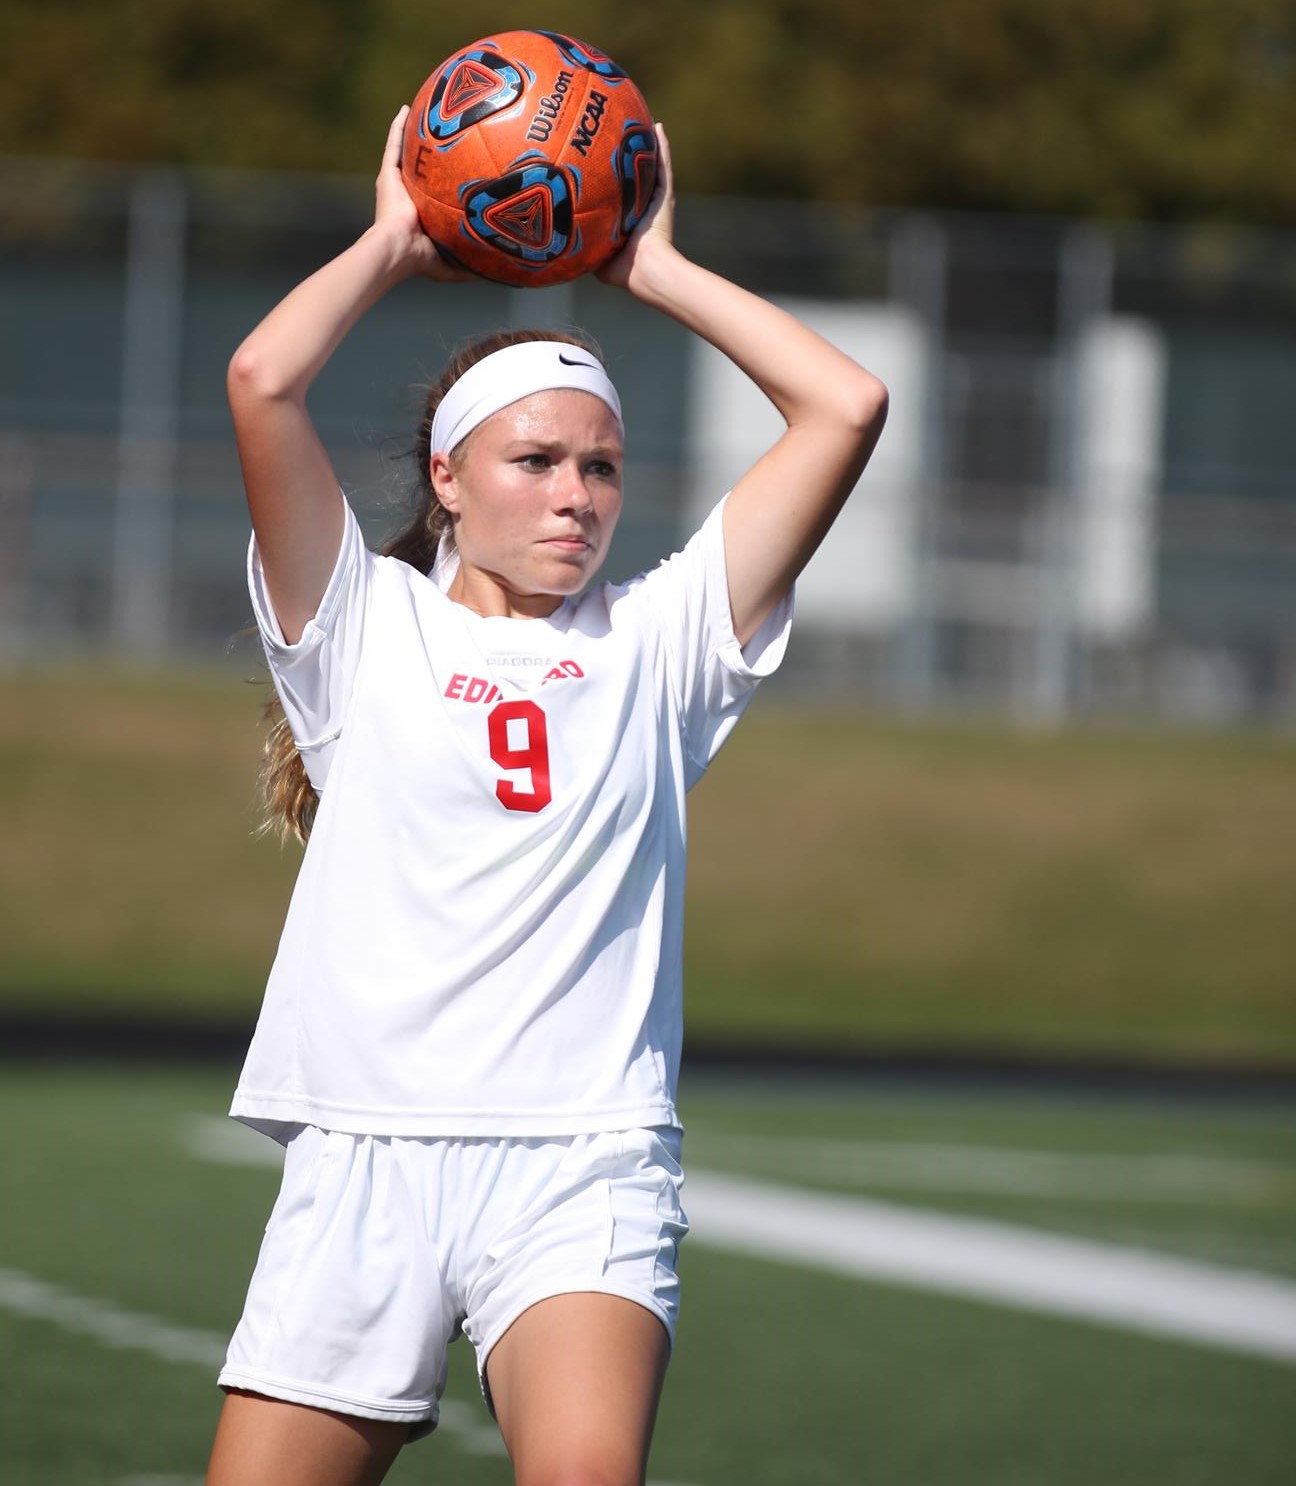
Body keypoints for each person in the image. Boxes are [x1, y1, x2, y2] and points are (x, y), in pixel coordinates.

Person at [206, 105, 887, 1486]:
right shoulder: (362, 627)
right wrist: (395, 238)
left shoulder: (661, 641)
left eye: (602, 465)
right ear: (449, 479)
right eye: (535, 461)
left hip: (581, 1157)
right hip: (369, 1154)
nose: (576, 495)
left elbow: (847, 404)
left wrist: (653, 268)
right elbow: (263, 378)